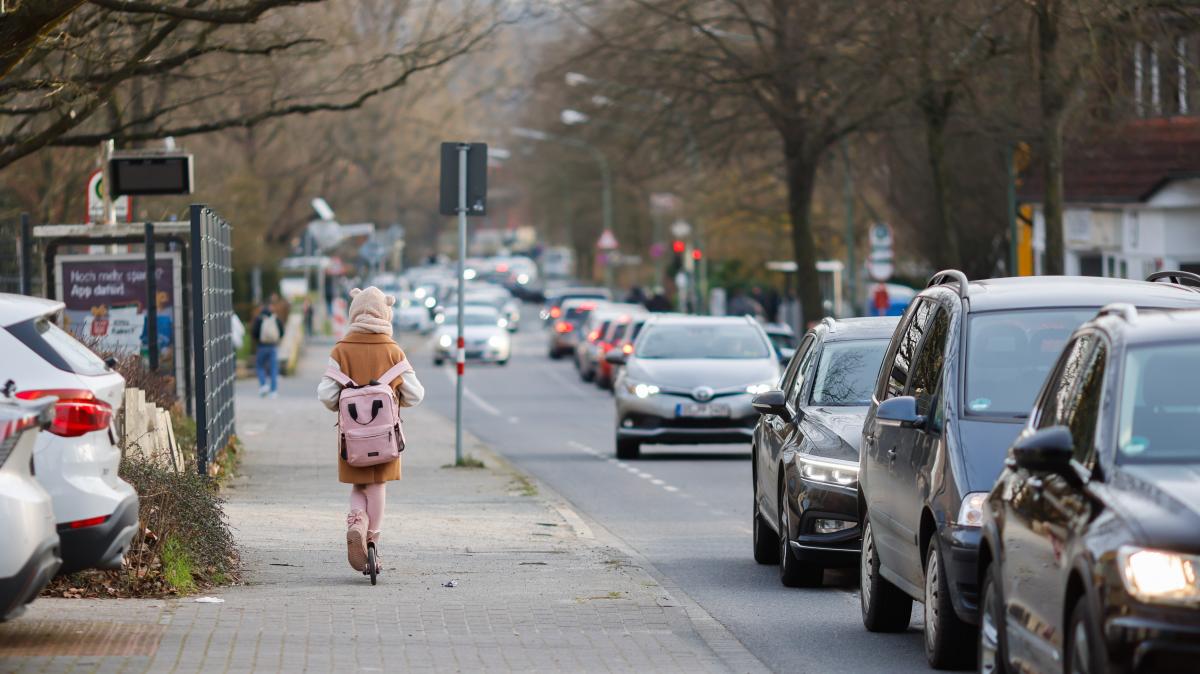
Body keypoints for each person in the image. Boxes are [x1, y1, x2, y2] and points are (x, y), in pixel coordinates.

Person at [316, 287, 424, 574]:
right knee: (377, 485)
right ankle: (371, 542)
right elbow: (416, 395)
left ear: (354, 313)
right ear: (385, 314)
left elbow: (326, 395)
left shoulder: (341, 349)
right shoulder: (393, 351)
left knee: (358, 484)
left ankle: (355, 522)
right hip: (386, 437)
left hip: (350, 439)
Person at [251, 302, 283, 398]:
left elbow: (254, 333)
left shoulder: (259, 319)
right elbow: (281, 332)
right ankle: (273, 391)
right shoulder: (275, 318)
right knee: (273, 368)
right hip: (273, 346)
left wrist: (258, 340)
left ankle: (263, 384)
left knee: (260, 366)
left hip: (262, 346)